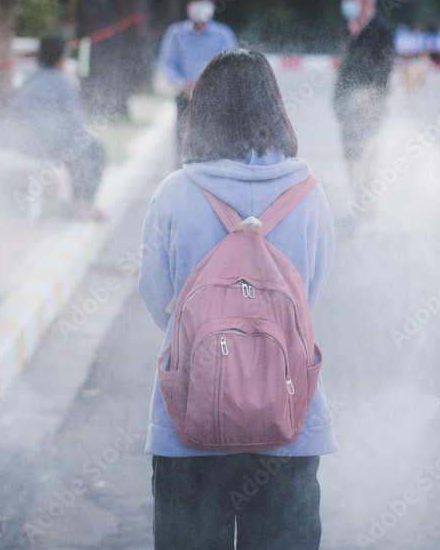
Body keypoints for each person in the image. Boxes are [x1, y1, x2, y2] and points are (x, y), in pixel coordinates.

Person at [139, 48, 336, 548]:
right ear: (274, 107)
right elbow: (308, 292)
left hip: (191, 420)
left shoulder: (175, 191)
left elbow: (156, 294)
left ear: (201, 110)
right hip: (286, 421)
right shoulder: (309, 193)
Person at [11, 34, 106, 220]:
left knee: (79, 149)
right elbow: (77, 125)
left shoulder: (26, 81)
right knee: (94, 150)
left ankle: (76, 204)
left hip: (24, 145)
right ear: (62, 59)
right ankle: (82, 205)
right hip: (50, 147)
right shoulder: (62, 83)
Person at [156, 0, 237, 167]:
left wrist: (211, 86)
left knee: (216, 148)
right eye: (200, 0)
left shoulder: (223, 34)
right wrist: (182, 84)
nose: (204, 4)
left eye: (207, 0)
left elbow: (232, 66)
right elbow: (167, 63)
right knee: (183, 148)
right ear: (189, 5)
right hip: (186, 99)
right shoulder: (176, 34)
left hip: (216, 100)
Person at [332, 0, 394, 216]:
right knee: (351, 160)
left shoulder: (382, 31)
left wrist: (367, 102)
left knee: (368, 161)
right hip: (346, 112)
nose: (347, 3)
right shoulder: (346, 29)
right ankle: (359, 204)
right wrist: (339, 103)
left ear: (365, 1)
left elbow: (383, 73)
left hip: (370, 112)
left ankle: (370, 209)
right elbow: (343, 70)